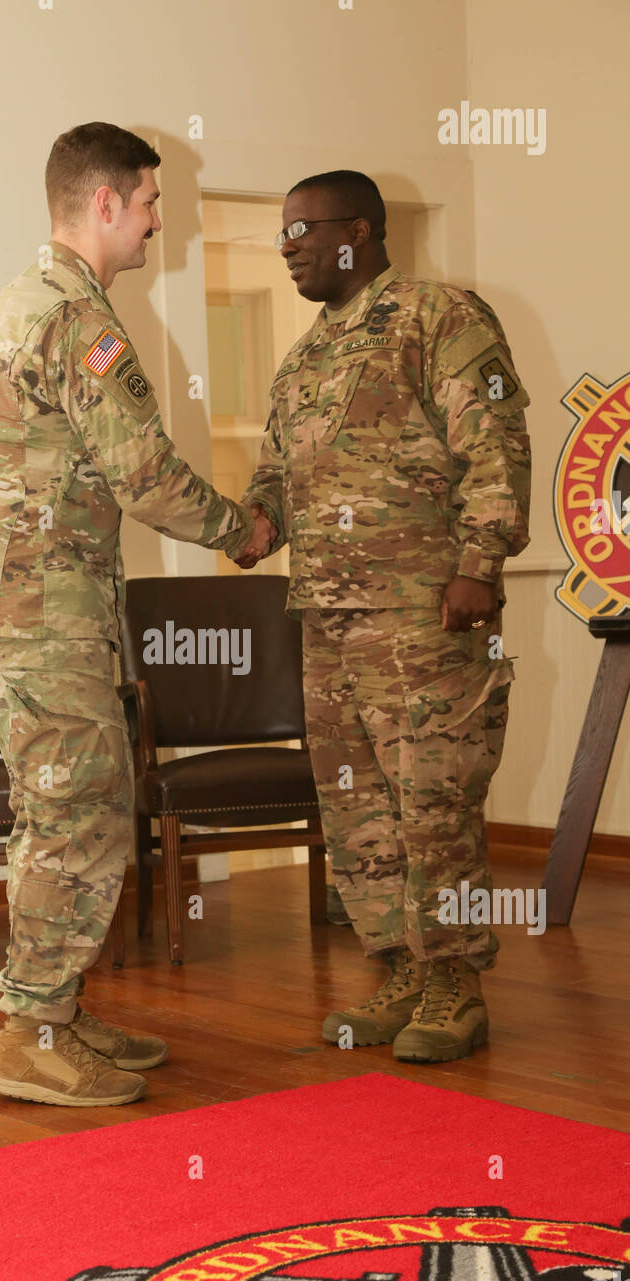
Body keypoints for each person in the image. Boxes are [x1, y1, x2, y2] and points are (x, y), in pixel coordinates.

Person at [0, 123, 275, 1107]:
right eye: (150, 203)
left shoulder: (23, 302)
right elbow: (145, 476)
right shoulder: (72, 318)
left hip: (26, 600)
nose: (156, 223)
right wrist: (239, 529)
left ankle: (59, 1012)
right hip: (36, 607)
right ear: (104, 205)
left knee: (70, 808)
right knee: (75, 817)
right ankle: (31, 1031)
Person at [239, 170, 531, 1063]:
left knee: (435, 799)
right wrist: (248, 524)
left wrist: (480, 562)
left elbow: (495, 440)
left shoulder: (439, 316)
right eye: (282, 234)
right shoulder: (304, 358)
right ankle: (400, 964)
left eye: (302, 230)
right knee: (358, 806)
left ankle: (456, 984)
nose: (288, 246)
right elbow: (274, 475)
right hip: (326, 617)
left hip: (425, 613)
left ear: (357, 232)